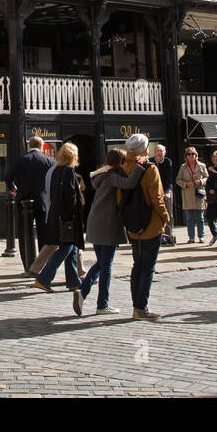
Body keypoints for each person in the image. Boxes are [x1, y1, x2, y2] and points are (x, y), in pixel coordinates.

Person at [33, 143, 88, 313]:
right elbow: (71, 197)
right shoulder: (69, 172)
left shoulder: (56, 170)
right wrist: (74, 214)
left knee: (70, 250)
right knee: (66, 248)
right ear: (74, 156)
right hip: (67, 218)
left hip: (55, 214)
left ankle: (73, 282)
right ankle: (44, 278)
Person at [120, 134, 169, 321]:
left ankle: (136, 306)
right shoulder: (150, 168)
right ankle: (141, 307)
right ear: (144, 149)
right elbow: (157, 198)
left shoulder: (125, 167)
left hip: (133, 226)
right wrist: (165, 217)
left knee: (137, 266)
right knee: (148, 267)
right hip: (151, 224)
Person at [79, 148, 132, 315]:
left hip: (95, 222)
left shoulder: (101, 176)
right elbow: (130, 183)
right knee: (106, 265)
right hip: (108, 223)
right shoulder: (114, 177)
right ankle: (100, 303)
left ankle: (85, 294)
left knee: (102, 262)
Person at [6, 136, 56, 276]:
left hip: (24, 200)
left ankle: (27, 265)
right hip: (43, 202)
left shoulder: (21, 160)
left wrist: (13, 188)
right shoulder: (49, 161)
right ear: (42, 146)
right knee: (43, 235)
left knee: (24, 234)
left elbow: (8, 177)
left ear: (29, 145)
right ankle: (41, 266)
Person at [175, 147, 209, 244]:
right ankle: (191, 237)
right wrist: (185, 184)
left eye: (193, 154)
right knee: (189, 218)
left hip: (199, 193)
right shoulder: (183, 167)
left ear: (196, 155)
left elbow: (207, 177)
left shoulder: (202, 165)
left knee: (200, 217)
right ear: (186, 156)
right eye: (189, 154)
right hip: (188, 194)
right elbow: (178, 180)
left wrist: (201, 181)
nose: (191, 156)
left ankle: (201, 236)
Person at [153, 144, 177, 246]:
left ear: (164, 152)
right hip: (154, 190)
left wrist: (168, 191)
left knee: (168, 213)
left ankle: (168, 235)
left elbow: (169, 178)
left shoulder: (167, 162)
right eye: (158, 151)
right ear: (154, 152)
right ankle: (157, 235)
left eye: (161, 151)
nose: (159, 153)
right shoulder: (150, 162)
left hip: (165, 189)